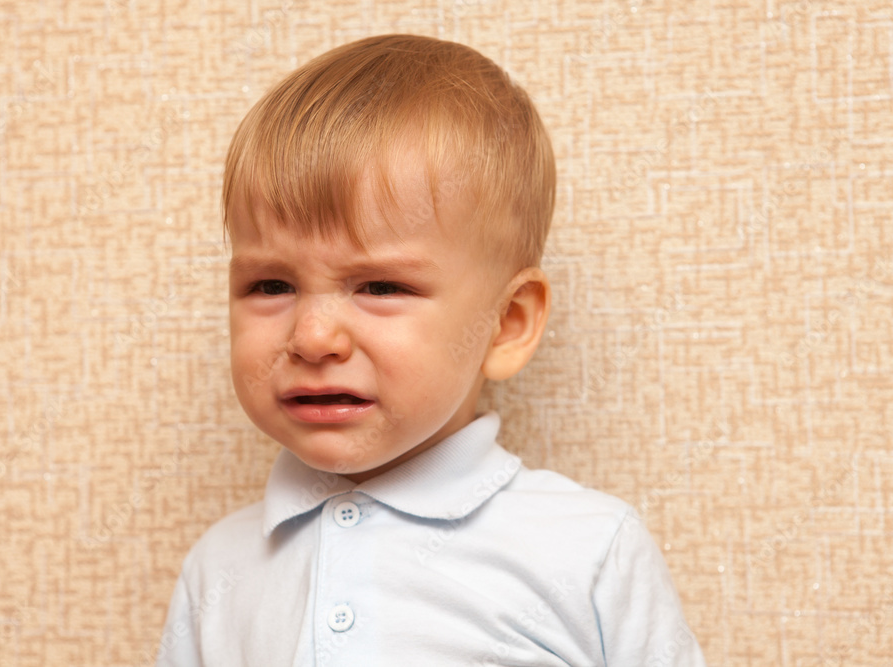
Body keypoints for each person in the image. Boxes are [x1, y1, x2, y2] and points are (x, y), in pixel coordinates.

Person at [155, 33, 706, 666]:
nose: (311, 338)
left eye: (381, 286)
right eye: (271, 285)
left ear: (506, 325)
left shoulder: (587, 549)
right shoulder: (218, 570)